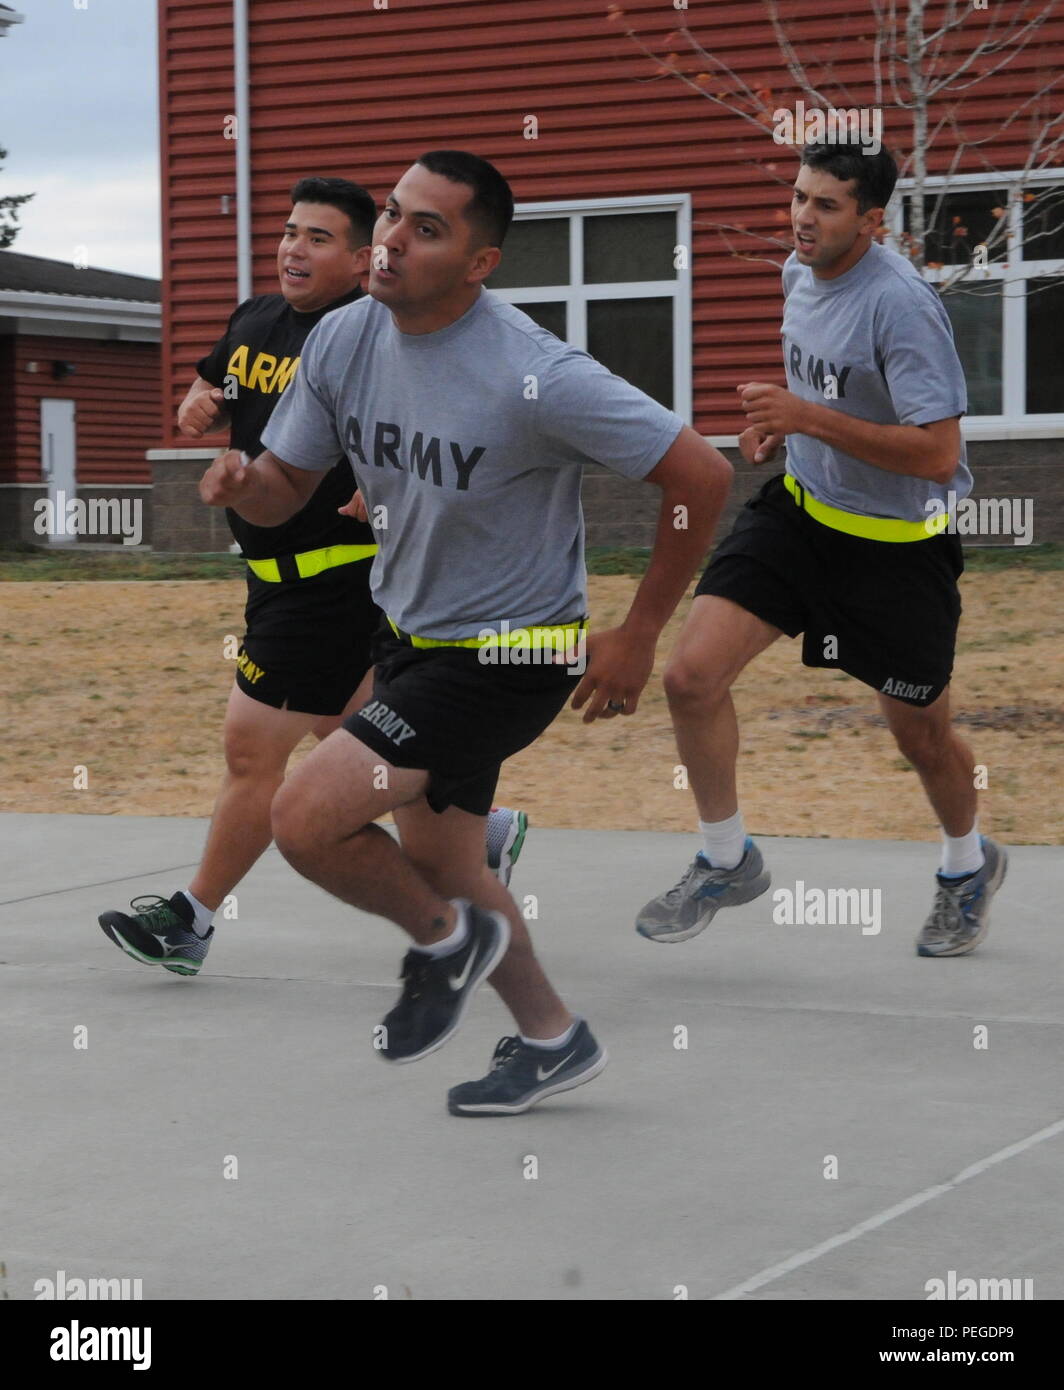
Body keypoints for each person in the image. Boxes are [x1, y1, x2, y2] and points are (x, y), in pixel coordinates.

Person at [198, 149, 734, 1113]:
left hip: (514, 653)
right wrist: (250, 486)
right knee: (448, 862)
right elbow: (285, 492)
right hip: (405, 638)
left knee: (307, 818)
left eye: (426, 229)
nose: (393, 240)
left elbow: (701, 476)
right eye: (394, 215)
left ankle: (444, 943)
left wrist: (641, 631)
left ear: (480, 263)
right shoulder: (346, 340)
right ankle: (552, 1038)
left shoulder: (538, 373)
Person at [99, 175, 527, 977]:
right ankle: (475, 817)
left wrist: (388, 481)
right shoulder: (257, 317)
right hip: (269, 574)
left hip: (331, 578)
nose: (295, 247)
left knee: (251, 751)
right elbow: (217, 378)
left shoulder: (368, 335)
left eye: (319, 238)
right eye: (291, 232)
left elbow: (428, 421)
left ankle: (190, 919)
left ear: (364, 260)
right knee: (350, 731)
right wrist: (201, 402)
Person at [636, 139, 1006, 958]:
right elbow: (818, 389)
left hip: (897, 549)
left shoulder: (901, 305)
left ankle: (965, 865)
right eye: (799, 197)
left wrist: (807, 418)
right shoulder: (796, 274)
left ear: (871, 220)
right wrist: (776, 426)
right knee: (690, 677)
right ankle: (726, 859)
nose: (803, 217)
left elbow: (939, 454)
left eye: (826, 204)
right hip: (801, 515)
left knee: (920, 737)